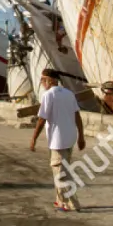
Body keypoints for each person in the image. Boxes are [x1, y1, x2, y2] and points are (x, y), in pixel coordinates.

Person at [30, 69, 84, 212]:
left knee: (61, 174)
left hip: (58, 141)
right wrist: (81, 136)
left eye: (43, 80)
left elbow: (42, 119)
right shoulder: (69, 94)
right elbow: (77, 116)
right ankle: (60, 200)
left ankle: (71, 204)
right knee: (62, 170)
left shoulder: (48, 95)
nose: (42, 83)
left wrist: (34, 138)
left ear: (51, 80)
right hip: (69, 138)